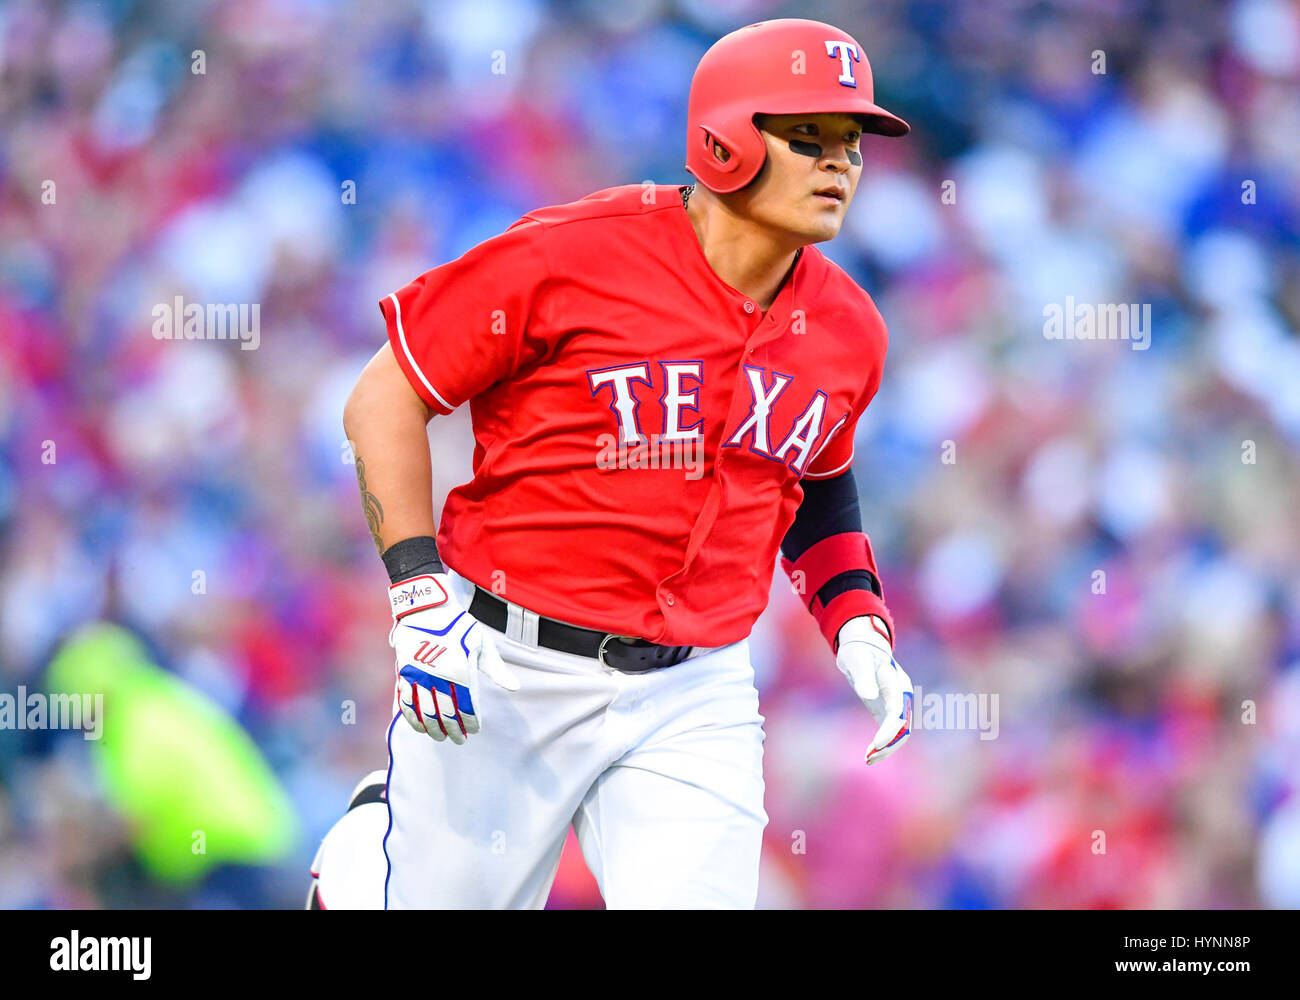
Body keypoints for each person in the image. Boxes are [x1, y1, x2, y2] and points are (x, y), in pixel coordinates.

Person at [324, 17, 914, 910]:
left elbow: (814, 478)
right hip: (508, 657)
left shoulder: (850, 329)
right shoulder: (572, 252)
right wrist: (415, 589)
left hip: (697, 687)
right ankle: (370, 858)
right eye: (809, 138)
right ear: (722, 139)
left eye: (851, 144)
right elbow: (386, 395)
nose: (840, 165)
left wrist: (858, 620)